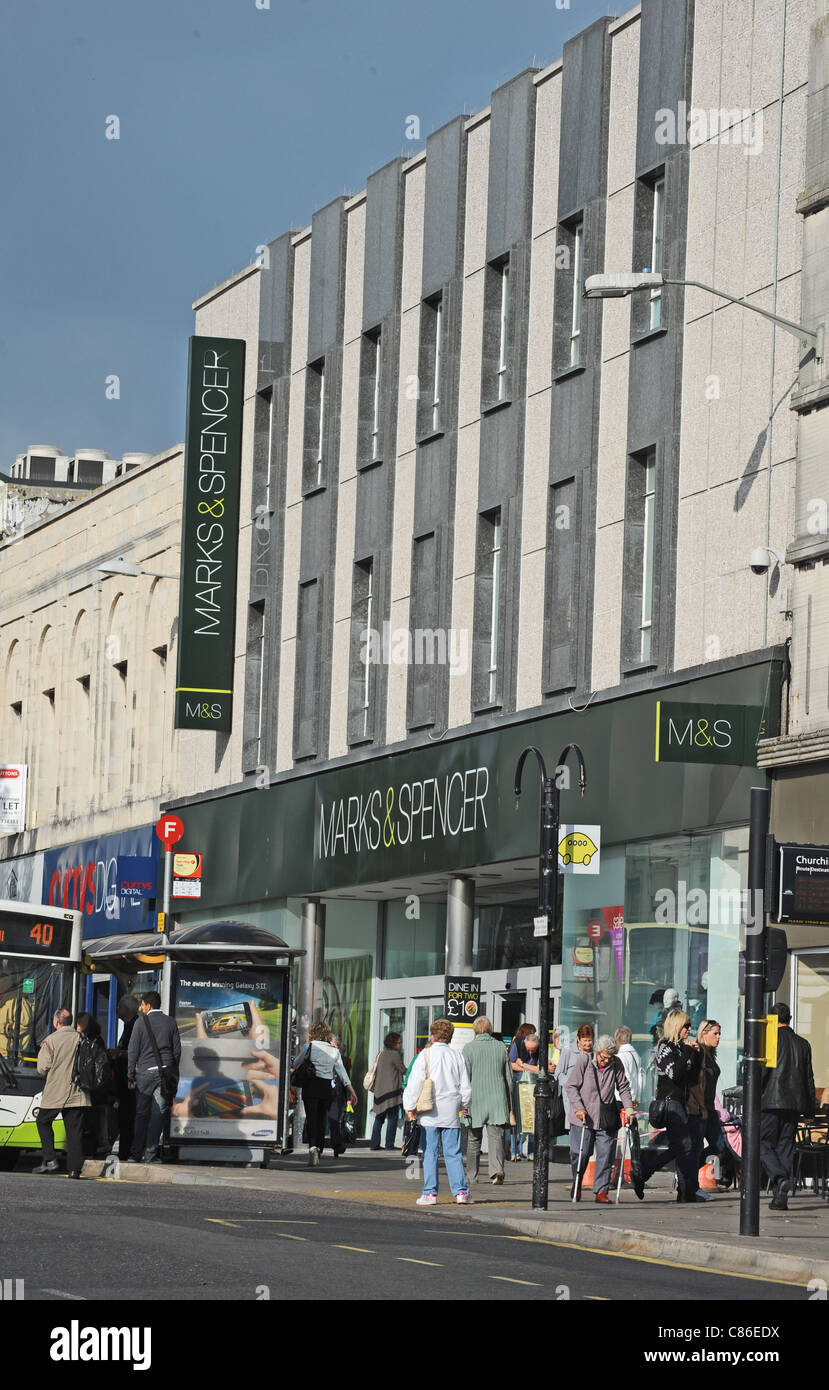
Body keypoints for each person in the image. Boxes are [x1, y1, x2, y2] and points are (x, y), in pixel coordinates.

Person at [633, 1010, 702, 1203]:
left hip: (681, 1103)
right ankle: (684, 1190)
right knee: (685, 1145)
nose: (689, 1029)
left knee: (680, 1146)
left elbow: (692, 1077)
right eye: (685, 1026)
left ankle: (678, 1188)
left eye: (689, 1025)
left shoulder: (681, 1048)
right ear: (676, 1027)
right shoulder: (665, 1047)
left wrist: (695, 1055)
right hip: (669, 1103)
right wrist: (687, 1052)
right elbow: (675, 1074)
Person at [402, 1017, 472, 1206]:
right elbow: (466, 1087)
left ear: (432, 1036)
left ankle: (430, 1193)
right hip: (450, 1110)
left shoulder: (425, 1055)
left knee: (430, 1152)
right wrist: (463, 1105)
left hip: (428, 1111)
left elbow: (415, 1083)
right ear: (449, 1036)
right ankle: (461, 1192)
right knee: (453, 1153)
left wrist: (409, 1107)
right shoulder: (457, 1056)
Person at [564, 1034, 634, 1202]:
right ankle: (577, 1182)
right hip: (584, 1117)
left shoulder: (616, 1063)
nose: (606, 1061)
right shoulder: (584, 1061)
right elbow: (571, 1086)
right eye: (603, 1058)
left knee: (605, 1153)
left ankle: (601, 1191)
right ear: (597, 1052)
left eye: (609, 1058)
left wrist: (629, 1109)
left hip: (606, 1117)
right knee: (580, 1153)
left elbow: (623, 1087)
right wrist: (578, 1108)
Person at [761, 1001, 816, 1211]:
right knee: (785, 1147)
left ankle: (780, 1177)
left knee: (761, 1141)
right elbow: (808, 1079)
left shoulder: (769, 1040)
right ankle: (779, 1198)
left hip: (770, 1102)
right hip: (794, 1105)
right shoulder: (802, 1044)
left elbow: (762, 1074)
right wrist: (810, 1109)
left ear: (772, 1019)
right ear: (789, 1019)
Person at [127, 991, 182, 1164]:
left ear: (148, 1005)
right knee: (158, 1115)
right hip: (165, 1073)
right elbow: (177, 1051)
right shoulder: (170, 1022)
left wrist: (130, 1075)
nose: (141, 1008)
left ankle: (135, 1154)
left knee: (141, 1114)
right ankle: (150, 1155)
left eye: (142, 1005)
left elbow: (133, 1051)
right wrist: (171, 1070)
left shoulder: (140, 1023)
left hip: (144, 1073)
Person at [292, 1022, 357, 1165]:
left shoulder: (309, 1046)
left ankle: (313, 1147)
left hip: (311, 1085)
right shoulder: (334, 1051)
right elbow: (341, 1072)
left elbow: (296, 1063)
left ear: (313, 1032)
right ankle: (320, 1149)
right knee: (321, 1119)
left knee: (311, 1117)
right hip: (326, 1087)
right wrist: (352, 1091)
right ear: (327, 1034)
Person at [34, 1008, 89, 1178]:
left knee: (43, 1121)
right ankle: (74, 1170)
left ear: (57, 1022)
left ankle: (50, 1158)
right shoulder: (82, 1038)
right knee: (74, 1131)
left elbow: (42, 1068)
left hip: (56, 1091)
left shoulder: (50, 1041)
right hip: (79, 1091)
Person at [463, 1017, 516, 1185]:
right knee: (496, 1137)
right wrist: (509, 1101)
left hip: (475, 1098)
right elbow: (509, 1078)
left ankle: (472, 1176)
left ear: (475, 1030)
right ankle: (496, 1171)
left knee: (473, 1139)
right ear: (490, 1029)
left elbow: (464, 1076)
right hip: (497, 1097)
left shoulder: (469, 1048)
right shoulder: (501, 1047)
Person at [694, 1019, 726, 1197]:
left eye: (719, 1033)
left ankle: (688, 1170)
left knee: (718, 1145)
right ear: (704, 1033)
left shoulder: (710, 1053)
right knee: (698, 1146)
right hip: (701, 1109)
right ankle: (689, 1179)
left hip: (710, 1109)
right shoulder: (699, 1052)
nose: (718, 1037)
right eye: (715, 1033)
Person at [76, 1013, 112, 1158]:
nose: (76, 1027)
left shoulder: (92, 1041)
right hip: (93, 1087)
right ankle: (95, 1146)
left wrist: (90, 1084)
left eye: (79, 1024)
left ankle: (96, 1147)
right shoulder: (93, 1040)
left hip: (92, 1088)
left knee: (93, 1119)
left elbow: (96, 1066)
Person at [110, 995, 139, 1159]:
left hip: (130, 1080)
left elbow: (136, 1051)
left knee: (128, 1116)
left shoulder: (135, 1025)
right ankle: (124, 1150)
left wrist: (118, 1053)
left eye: (119, 1006)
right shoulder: (128, 1025)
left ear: (126, 1009)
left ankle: (127, 1151)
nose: (117, 1010)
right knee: (124, 1116)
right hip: (124, 1079)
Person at [369, 1031, 405, 1150]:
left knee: (379, 1119)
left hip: (380, 1092)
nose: (400, 1045)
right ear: (393, 1043)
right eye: (399, 1042)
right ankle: (389, 1144)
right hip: (392, 1093)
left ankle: (374, 1144)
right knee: (392, 1119)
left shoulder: (381, 1054)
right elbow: (403, 1069)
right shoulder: (395, 1054)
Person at [557, 1024, 595, 1132]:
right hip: (572, 1098)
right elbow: (559, 1073)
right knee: (574, 1128)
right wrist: (569, 1085)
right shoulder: (568, 1051)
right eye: (585, 1040)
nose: (588, 1044)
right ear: (578, 1039)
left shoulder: (594, 1054)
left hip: (589, 1098)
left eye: (590, 1040)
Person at [614, 1026, 645, 1107]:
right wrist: (637, 1097)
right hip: (632, 1097)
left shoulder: (620, 1056)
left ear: (617, 1039)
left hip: (621, 1099)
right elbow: (641, 1078)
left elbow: (626, 1079)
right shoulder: (637, 1055)